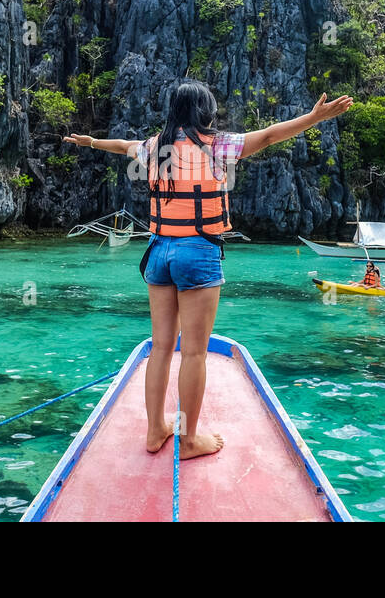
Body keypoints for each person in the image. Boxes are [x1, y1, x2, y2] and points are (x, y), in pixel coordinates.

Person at [63, 82, 352, 459]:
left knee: (162, 348)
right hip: (198, 252)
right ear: (205, 112)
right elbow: (267, 136)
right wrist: (314, 119)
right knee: (195, 353)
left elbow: (122, 146)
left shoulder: (153, 147)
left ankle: (155, 431)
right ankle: (188, 440)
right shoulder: (219, 146)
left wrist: (92, 143)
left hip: (158, 252)